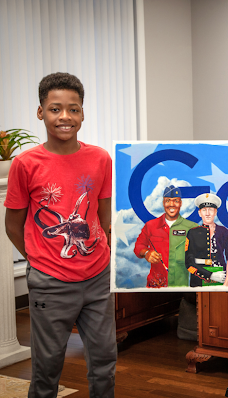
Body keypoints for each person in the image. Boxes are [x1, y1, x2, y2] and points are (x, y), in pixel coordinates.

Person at [4, 72, 116, 397]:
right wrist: (40, 261)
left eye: (73, 109)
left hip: (98, 279)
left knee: (105, 363)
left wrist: (101, 249)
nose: (65, 117)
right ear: (41, 112)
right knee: (47, 368)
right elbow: (13, 225)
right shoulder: (25, 164)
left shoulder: (100, 159)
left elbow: (103, 213)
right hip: (50, 285)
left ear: (82, 113)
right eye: (55, 109)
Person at [133, 185, 198, 287]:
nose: (171, 204)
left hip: (181, 287)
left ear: (180, 203)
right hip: (156, 287)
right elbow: (138, 247)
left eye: (176, 200)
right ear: (163, 203)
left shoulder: (192, 227)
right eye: (168, 200)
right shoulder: (151, 226)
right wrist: (146, 253)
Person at [185, 193, 228, 287]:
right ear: (199, 213)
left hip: (221, 279)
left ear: (215, 212)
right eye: (204, 210)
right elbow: (189, 263)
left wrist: (226, 284)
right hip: (198, 282)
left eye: (211, 209)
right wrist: (210, 275)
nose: (207, 213)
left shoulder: (224, 231)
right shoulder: (192, 233)